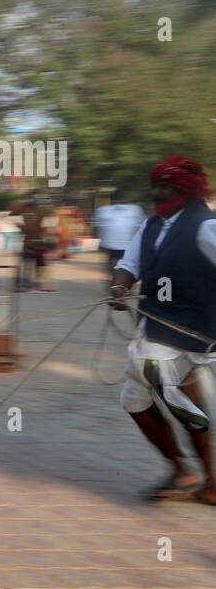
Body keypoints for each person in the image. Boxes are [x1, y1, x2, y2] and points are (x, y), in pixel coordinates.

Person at [110, 156, 216, 504]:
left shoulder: (206, 225)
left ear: (186, 189)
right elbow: (129, 264)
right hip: (155, 327)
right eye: (154, 188)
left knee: (157, 377)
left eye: (165, 187)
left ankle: (209, 478)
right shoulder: (151, 226)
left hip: (192, 332)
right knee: (135, 399)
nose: (157, 193)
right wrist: (120, 287)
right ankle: (183, 471)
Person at [95, 192, 145, 278]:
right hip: (129, 247)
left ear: (110, 201)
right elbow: (142, 228)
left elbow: (97, 229)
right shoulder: (135, 210)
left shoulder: (102, 211)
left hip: (111, 248)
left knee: (113, 268)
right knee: (128, 268)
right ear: (124, 200)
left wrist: (100, 242)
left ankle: (114, 281)